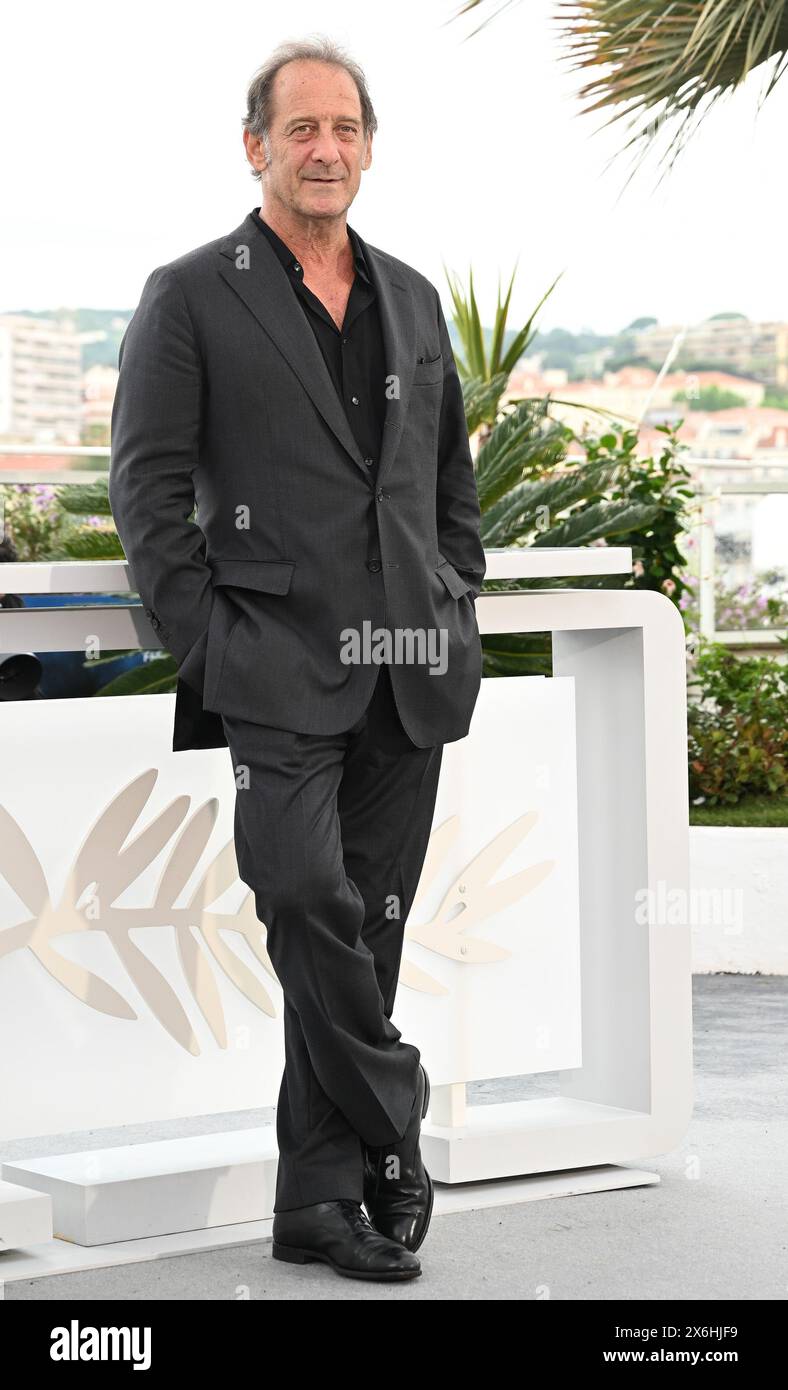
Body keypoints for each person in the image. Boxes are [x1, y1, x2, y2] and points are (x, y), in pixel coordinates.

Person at [108, 35, 486, 1284]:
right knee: (307, 901)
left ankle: (317, 1207)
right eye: (302, 130)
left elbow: (445, 491)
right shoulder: (191, 294)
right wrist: (209, 643)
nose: (325, 150)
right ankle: (397, 1108)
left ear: (367, 146)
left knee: (364, 935)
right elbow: (149, 492)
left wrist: (454, 601)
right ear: (256, 147)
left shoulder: (411, 299)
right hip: (269, 665)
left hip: (407, 664)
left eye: (346, 129)